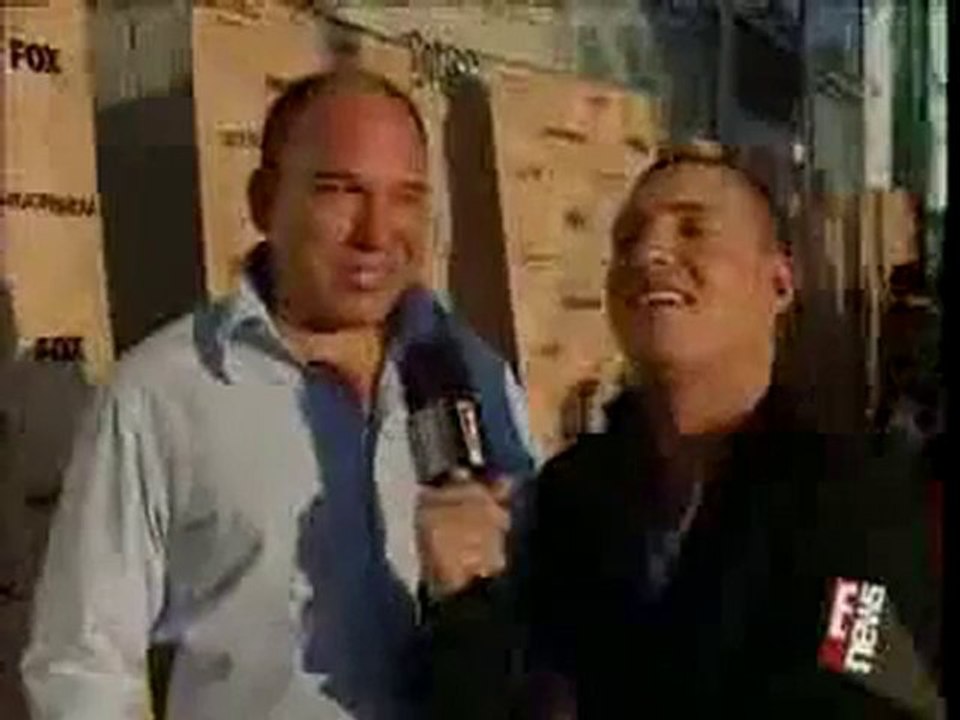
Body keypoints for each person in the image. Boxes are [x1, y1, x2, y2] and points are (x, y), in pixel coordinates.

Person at [21, 67, 536, 720]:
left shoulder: (476, 378)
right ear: (264, 201)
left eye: (407, 197)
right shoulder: (161, 394)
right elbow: (82, 666)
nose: (377, 233)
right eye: (340, 191)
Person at [416, 147, 942, 718]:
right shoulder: (572, 500)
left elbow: (864, 701)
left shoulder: (855, 503)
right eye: (627, 240)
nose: (649, 253)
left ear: (780, 282)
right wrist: (462, 604)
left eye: (693, 230)